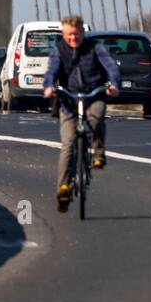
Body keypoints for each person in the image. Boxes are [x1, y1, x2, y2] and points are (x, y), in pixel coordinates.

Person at [42, 14, 121, 212]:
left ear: (83, 32)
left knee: (95, 119)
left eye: (76, 34)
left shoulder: (95, 47)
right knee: (68, 143)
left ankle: (99, 152)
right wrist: (49, 86)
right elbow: (51, 71)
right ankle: (63, 187)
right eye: (69, 35)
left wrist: (113, 84)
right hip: (69, 100)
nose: (73, 38)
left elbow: (111, 66)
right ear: (63, 33)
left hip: (93, 96)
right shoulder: (59, 50)